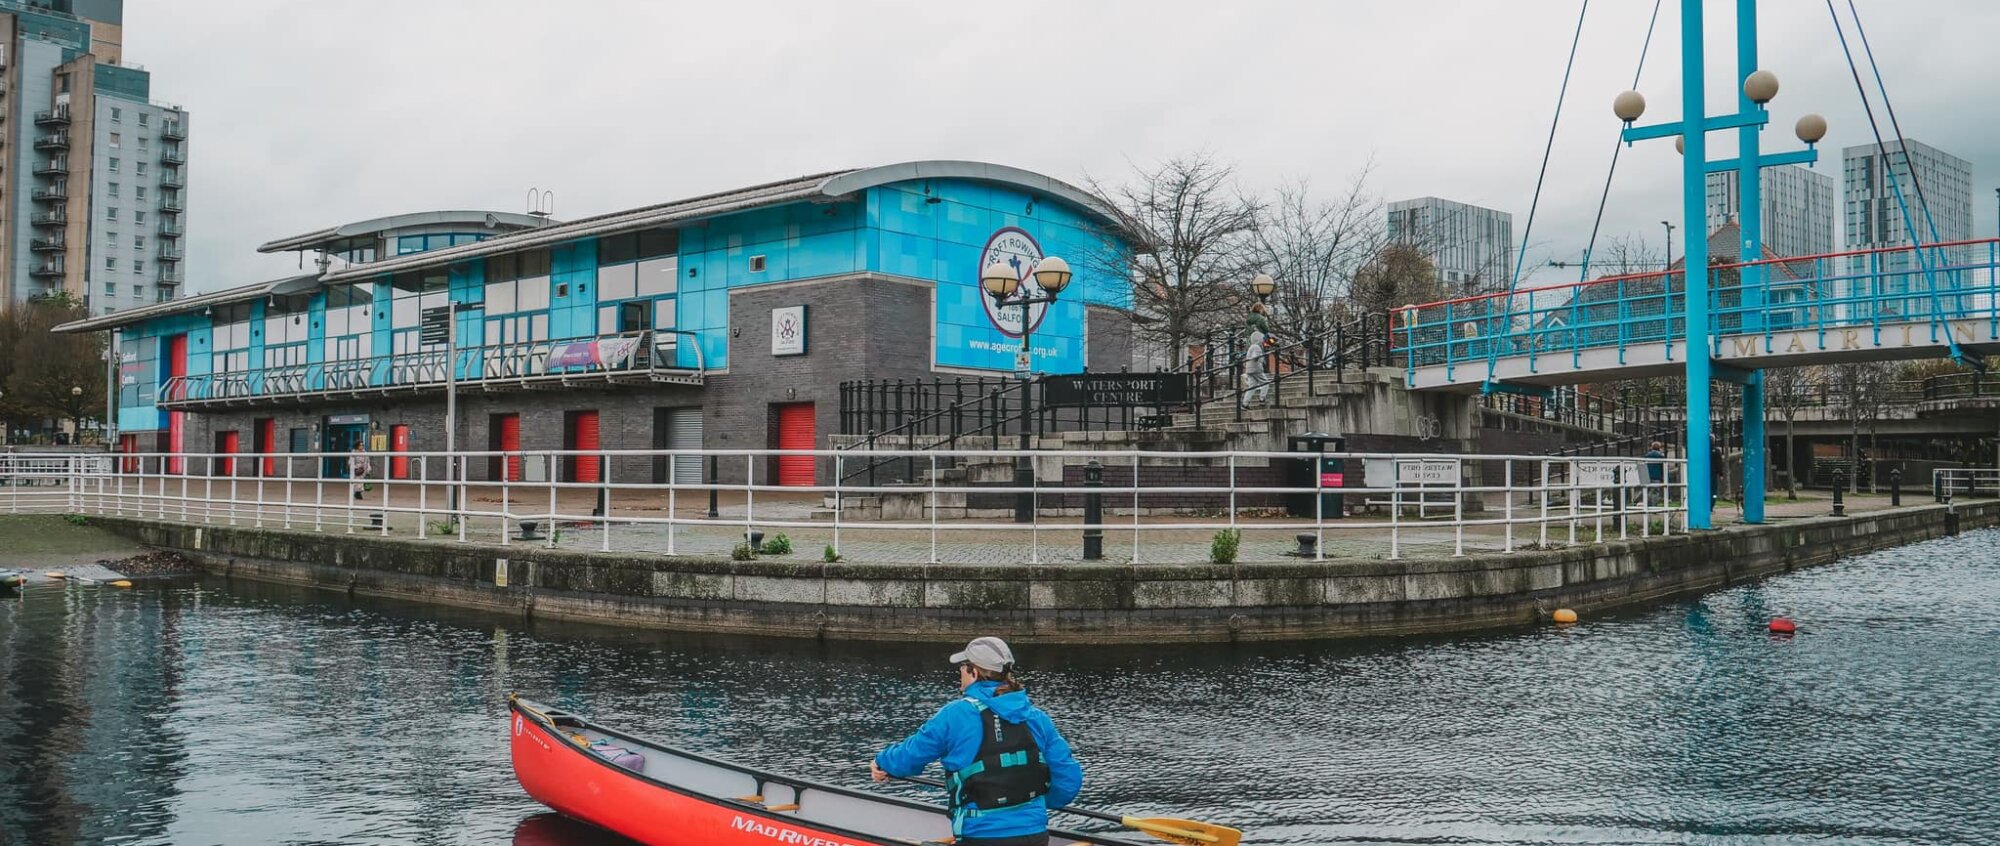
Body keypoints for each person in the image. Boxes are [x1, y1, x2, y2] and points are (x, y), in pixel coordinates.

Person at [872, 637, 1083, 846]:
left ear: (973, 672)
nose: (960, 672)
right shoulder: (1037, 718)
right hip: (1036, 837)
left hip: (981, 837)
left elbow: (910, 756)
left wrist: (882, 763)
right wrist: (1029, 810)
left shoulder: (956, 715)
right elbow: (1068, 781)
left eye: (963, 666)